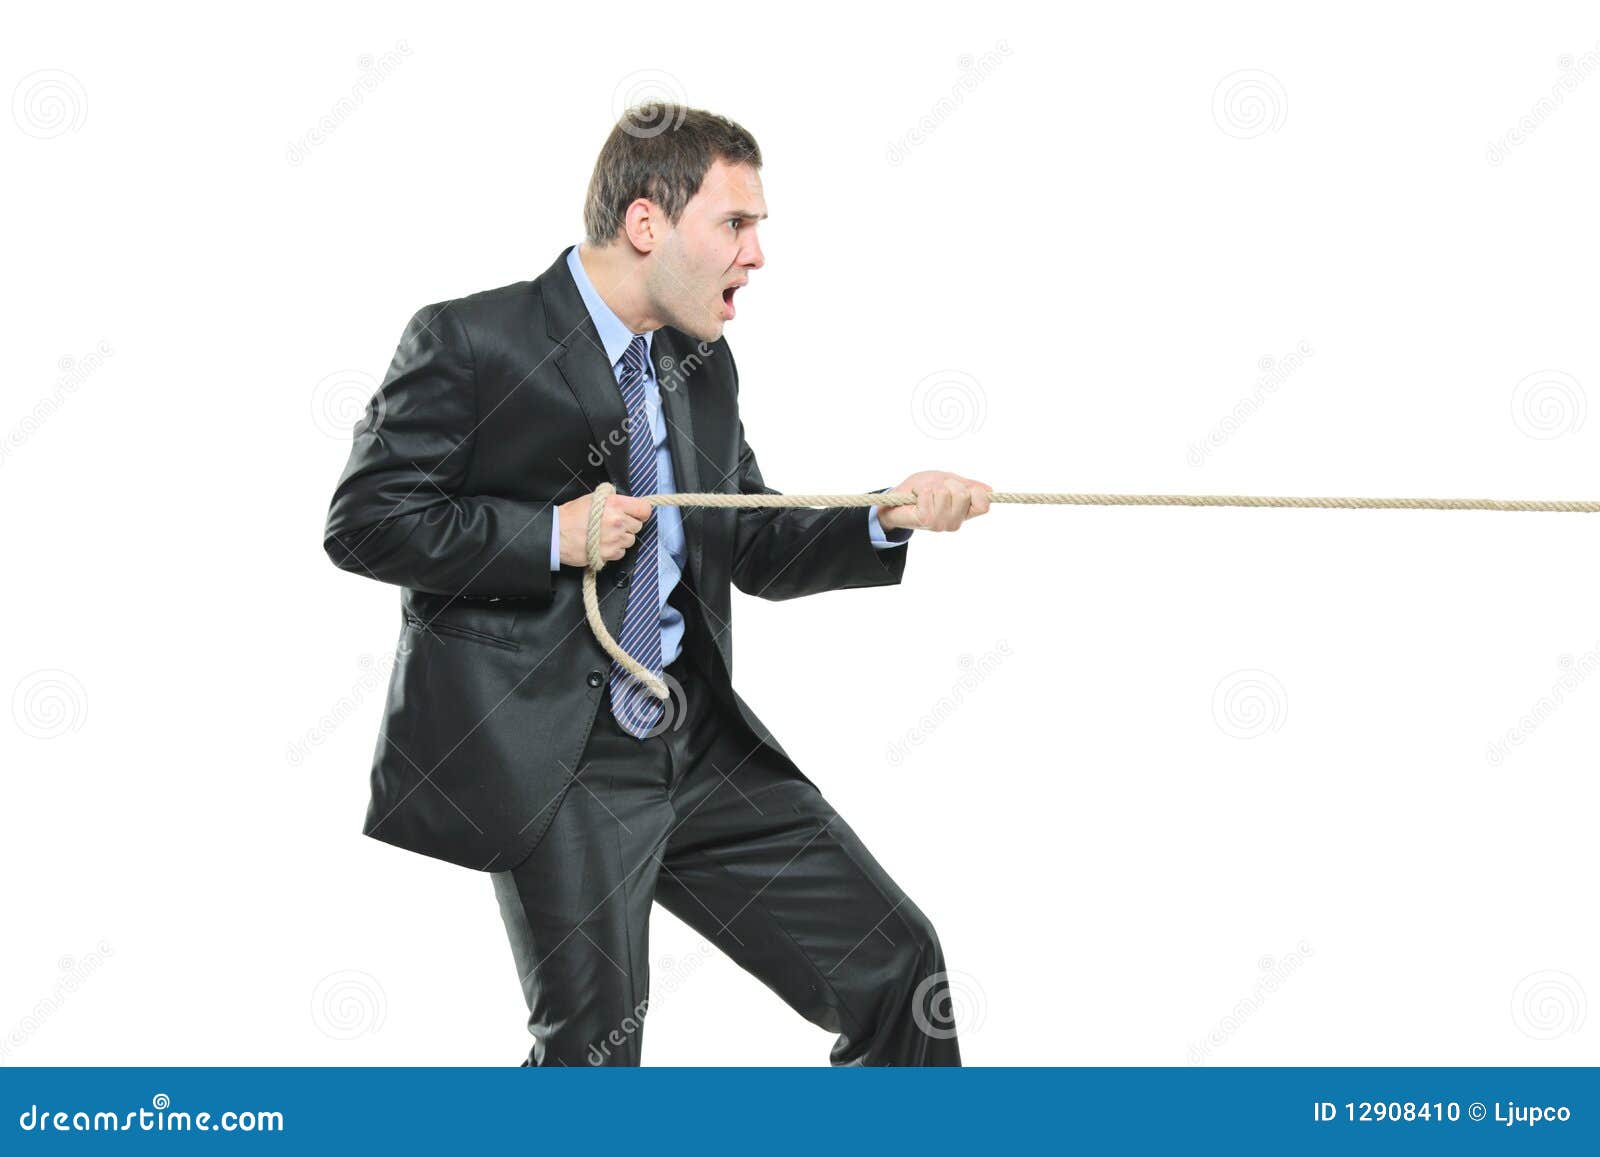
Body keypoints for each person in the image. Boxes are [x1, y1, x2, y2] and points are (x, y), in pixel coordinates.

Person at [322, 102, 991, 1065]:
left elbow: (747, 542)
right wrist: (550, 536)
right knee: (595, 1053)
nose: (755, 254)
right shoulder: (471, 340)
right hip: (564, 758)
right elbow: (367, 522)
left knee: (900, 969)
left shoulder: (700, 364)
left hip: (696, 741)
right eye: (735, 224)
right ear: (647, 224)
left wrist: (886, 512)